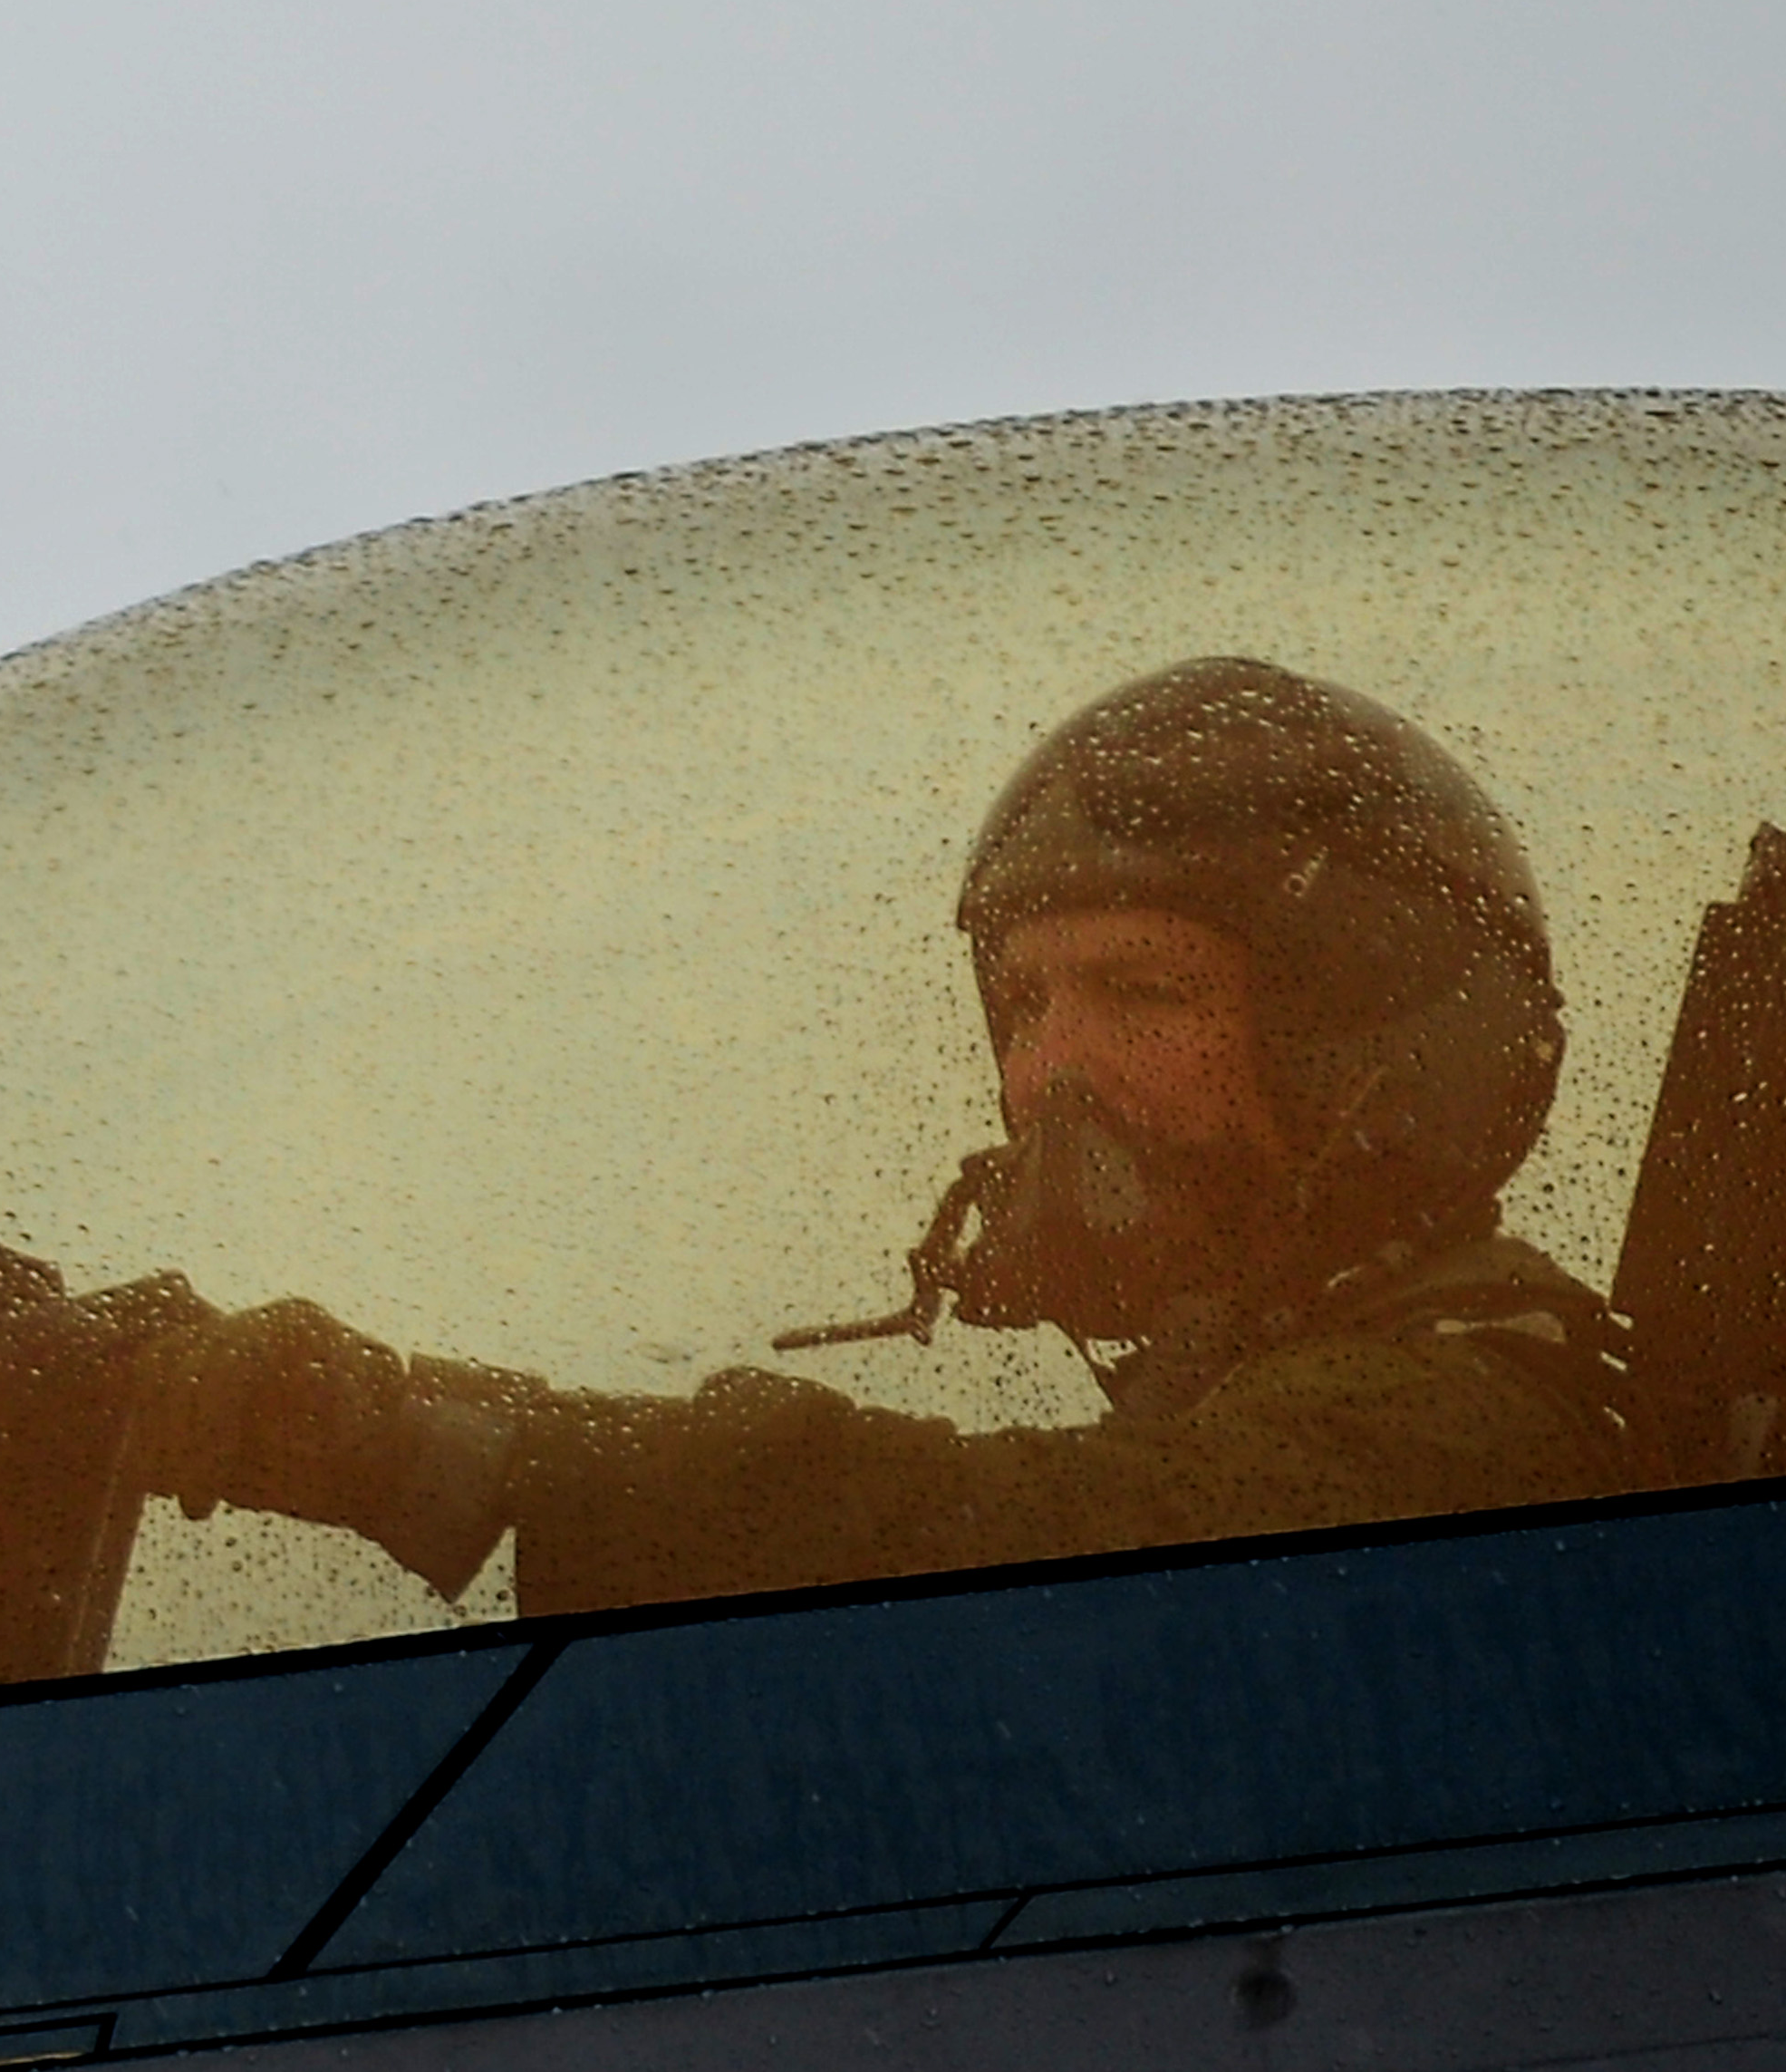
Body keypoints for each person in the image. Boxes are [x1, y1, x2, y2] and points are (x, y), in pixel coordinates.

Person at [141, 657, 1633, 1615]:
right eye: (1024, 1002)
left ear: (1376, 1048)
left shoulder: (1472, 1419)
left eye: (1141, 992)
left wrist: (430, 1447)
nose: (1051, 1073)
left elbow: (1027, 1548)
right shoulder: (1277, 1387)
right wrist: (393, 1408)